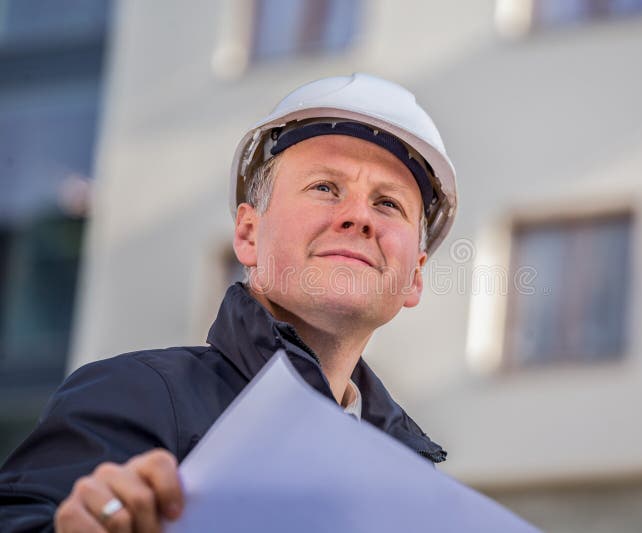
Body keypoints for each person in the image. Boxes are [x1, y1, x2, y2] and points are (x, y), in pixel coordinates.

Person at [0, 73, 458, 532]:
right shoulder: (138, 395)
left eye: (387, 204)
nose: (358, 216)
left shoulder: (414, 486)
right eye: (324, 188)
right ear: (247, 234)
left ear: (415, 277)